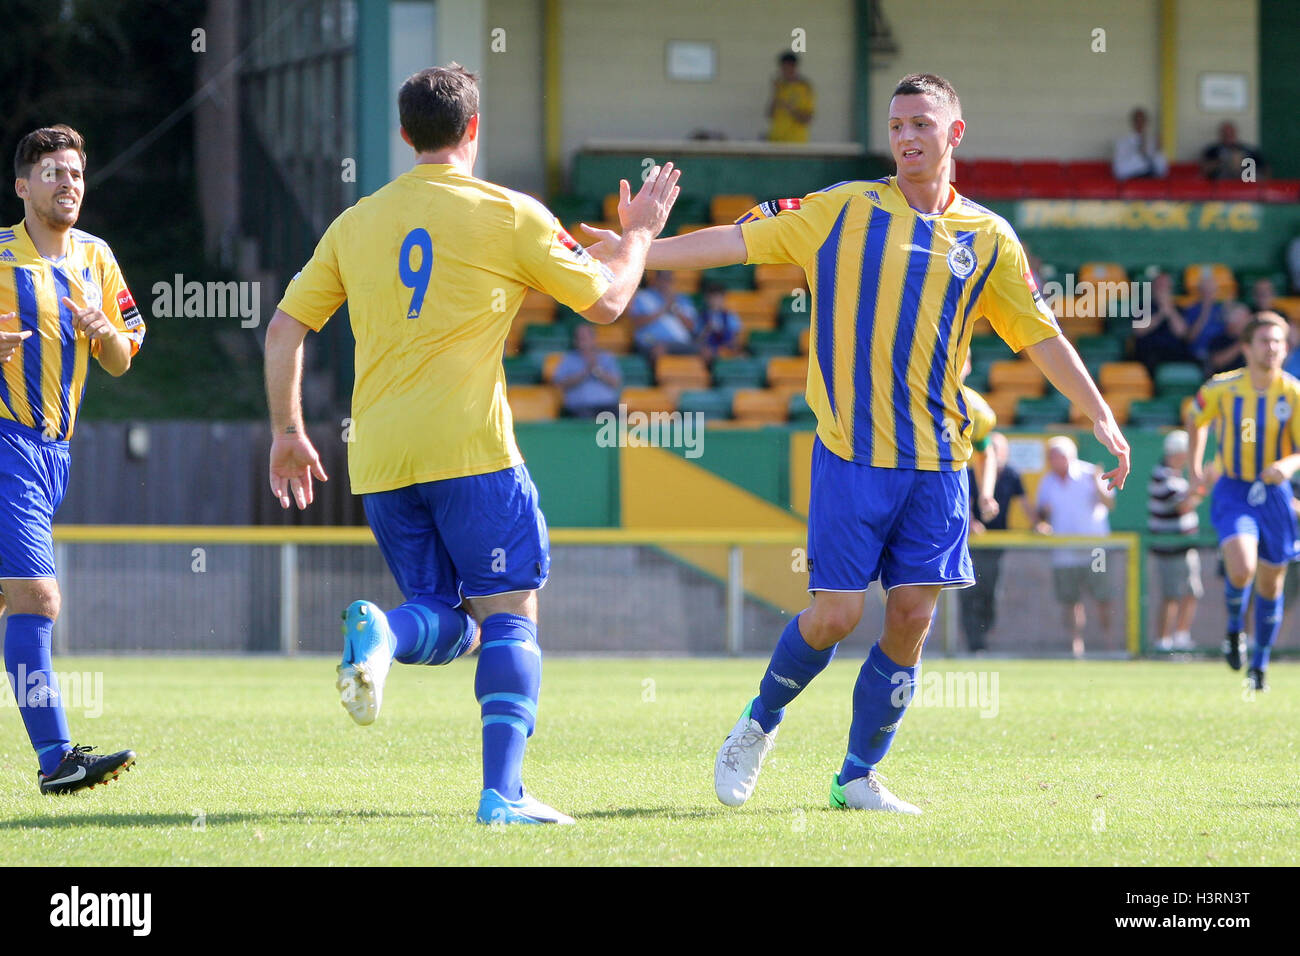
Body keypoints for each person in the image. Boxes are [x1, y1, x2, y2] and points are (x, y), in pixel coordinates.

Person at [584, 71, 1129, 813]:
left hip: (939, 464)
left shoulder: (988, 238)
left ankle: (857, 774)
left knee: (911, 619)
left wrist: (1097, 410)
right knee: (837, 615)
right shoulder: (841, 209)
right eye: (898, 124)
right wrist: (638, 248)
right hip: (851, 456)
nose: (906, 136)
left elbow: (1039, 332)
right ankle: (757, 724)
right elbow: (733, 244)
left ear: (954, 135)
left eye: (922, 124)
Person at [264, 65, 679, 825]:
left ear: (404, 135)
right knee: (512, 616)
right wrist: (639, 234)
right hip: (472, 451)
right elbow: (611, 300)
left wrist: (289, 432)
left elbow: (286, 327)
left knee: (446, 616)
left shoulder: (356, 221)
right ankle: (502, 795)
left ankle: (387, 632)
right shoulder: (509, 212)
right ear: (475, 129)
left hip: (382, 458)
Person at [0, 125, 143, 794]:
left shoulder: (97, 256)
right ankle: (57, 761)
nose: (69, 184)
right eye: (54, 172)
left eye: (77, 174)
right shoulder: (0, 256)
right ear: (23, 186)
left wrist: (104, 332)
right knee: (38, 597)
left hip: (53, 454)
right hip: (7, 442)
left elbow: (122, 357)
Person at [1188, 312, 1300, 692]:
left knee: (1271, 585)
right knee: (1241, 569)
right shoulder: (1222, 388)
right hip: (1235, 490)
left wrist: (1287, 464)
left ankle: (1260, 667)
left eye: (1278, 342)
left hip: (1276, 496)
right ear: (1247, 347)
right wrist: (1194, 468)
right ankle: (1234, 629)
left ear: (1286, 349)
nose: (1272, 348)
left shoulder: (1294, 393)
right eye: (1265, 341)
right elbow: (1195, 418)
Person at [1034, 436, 1117, 659]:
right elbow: (1041, 513)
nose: (1054, 460)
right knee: (1070, 600)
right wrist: (1042, 521)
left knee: (1103, 596)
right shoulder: (1047, 481)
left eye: (1058, 455)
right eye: (1051, 456)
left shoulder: (1091, 474)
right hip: (1064, 552)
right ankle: (1076, 646)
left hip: (1096, 550)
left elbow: (1110, 503)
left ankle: (1109, 643)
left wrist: (1099, 487)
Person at [961, 432, 1027, 652]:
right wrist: (971, 522)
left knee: (990, 590)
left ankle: (984, 633)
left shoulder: (1011, 475)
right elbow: (964, 503)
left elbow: (1026, 506)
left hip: (996, 544)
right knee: (969, 590)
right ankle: (973, 642)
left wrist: (1039, 524)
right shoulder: (970, 474)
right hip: (971, 545)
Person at [1147, 430, 1205, 651]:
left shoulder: (1177, 475)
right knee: (1170, 594)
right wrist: (1202, 484)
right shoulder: (1162, 475)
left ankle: (1180, 636)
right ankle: (1163, 640)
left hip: (1185, 544)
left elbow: (1189, 502)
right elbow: (1183, 504)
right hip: (1168, 546)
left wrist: (1199, 487)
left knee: (1192, 591)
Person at [552, 322, 622, 419]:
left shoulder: (606, 357)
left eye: (586, 337)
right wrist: (584, 373)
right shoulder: (568, 359)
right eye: (580, 338)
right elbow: (559, 384)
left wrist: (597, 371)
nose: (583, 341)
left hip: (608, 405)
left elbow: (616, 383)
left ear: (593, 339)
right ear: (575, 341)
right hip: (580, 406)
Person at [629, 269, 698, 360]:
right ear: (656, 279)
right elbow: (636, 323)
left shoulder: (682, 298)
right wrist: (663, 309)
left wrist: (675, 308)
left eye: (669, 279)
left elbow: (691, 326)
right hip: (651, 342)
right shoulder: (642, 297)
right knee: (659, 350)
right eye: (664, 279)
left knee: (705, 351)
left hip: (680, 343)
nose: (666, 282)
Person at [1132, 271, 1191, 373]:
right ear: (1154, 288)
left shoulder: (1178, 308)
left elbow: (1182, 333)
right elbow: (1138, 331)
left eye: (1166, 287)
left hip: (1174, 353)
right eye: (1160, 286)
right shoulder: (1143, 307)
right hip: (1149, 352)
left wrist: (1170, 311)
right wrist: (1161, 313)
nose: (1163, 290)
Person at [767, 52, 815, 143]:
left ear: (794, 67)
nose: (784, 72)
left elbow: (807, 119)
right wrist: (775, 93)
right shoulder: (780, 87)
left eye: (787, 68)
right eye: (782, 68)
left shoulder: (805, 88)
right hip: (775, 141)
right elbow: (770, 115)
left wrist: (790, 109)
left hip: (795, 143)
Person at [1112, 107, 1168, 181]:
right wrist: (1141, 155)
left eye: (1143, 120)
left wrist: (1158, 152)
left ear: (1147, 122)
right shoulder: (1123, 143)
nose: (1140, 123)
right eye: (1137, 120)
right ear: (1132, 122)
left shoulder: (1153, 142)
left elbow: (1162, 172)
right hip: (1131, 186)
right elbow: (1119, 172)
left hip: (1152, 186)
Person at [1181, 273, 1226, 364]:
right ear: (1199, 291)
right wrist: (1205, 311)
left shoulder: (1223, 309)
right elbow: (1190, 337)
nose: (1208, 293)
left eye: (1211, 289)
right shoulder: (1191, 309)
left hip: (1219, 350)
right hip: (1198, 353)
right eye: (1205, 290)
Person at [692, 281, 743, 361]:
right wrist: (707, 329)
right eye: (712, 298)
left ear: (723, 298)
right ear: (707, 299)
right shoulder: (701, 317)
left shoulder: (730, 316)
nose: (715, 301)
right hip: (709, 350)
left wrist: (722, 333)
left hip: (726, 348)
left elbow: (735, 338)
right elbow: (697, 340)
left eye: (718, 298)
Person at [1204, 302, 1251, 376]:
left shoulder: (1253, 339)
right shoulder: (1218, 339)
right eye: (1243, 318)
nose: (1248, 321)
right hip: (1223, 382)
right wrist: (1242, 342)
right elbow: (1218, 362)